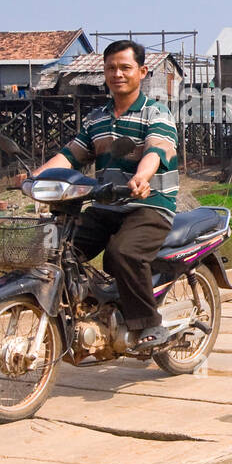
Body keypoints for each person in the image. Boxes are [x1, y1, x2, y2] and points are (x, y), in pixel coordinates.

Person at [27, 39, 178, 347]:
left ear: (142, 72)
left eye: (125, 67)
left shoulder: (156, 113)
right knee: (56, 247)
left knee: (123, 253)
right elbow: (71, 155)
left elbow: (157, 150)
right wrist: (35, 177)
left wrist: (142, 176)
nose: (117, 74)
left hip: (148, 204)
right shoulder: (97, 118)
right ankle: (85, 310)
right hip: (107, 205)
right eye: (111, 68)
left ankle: (149, 324)